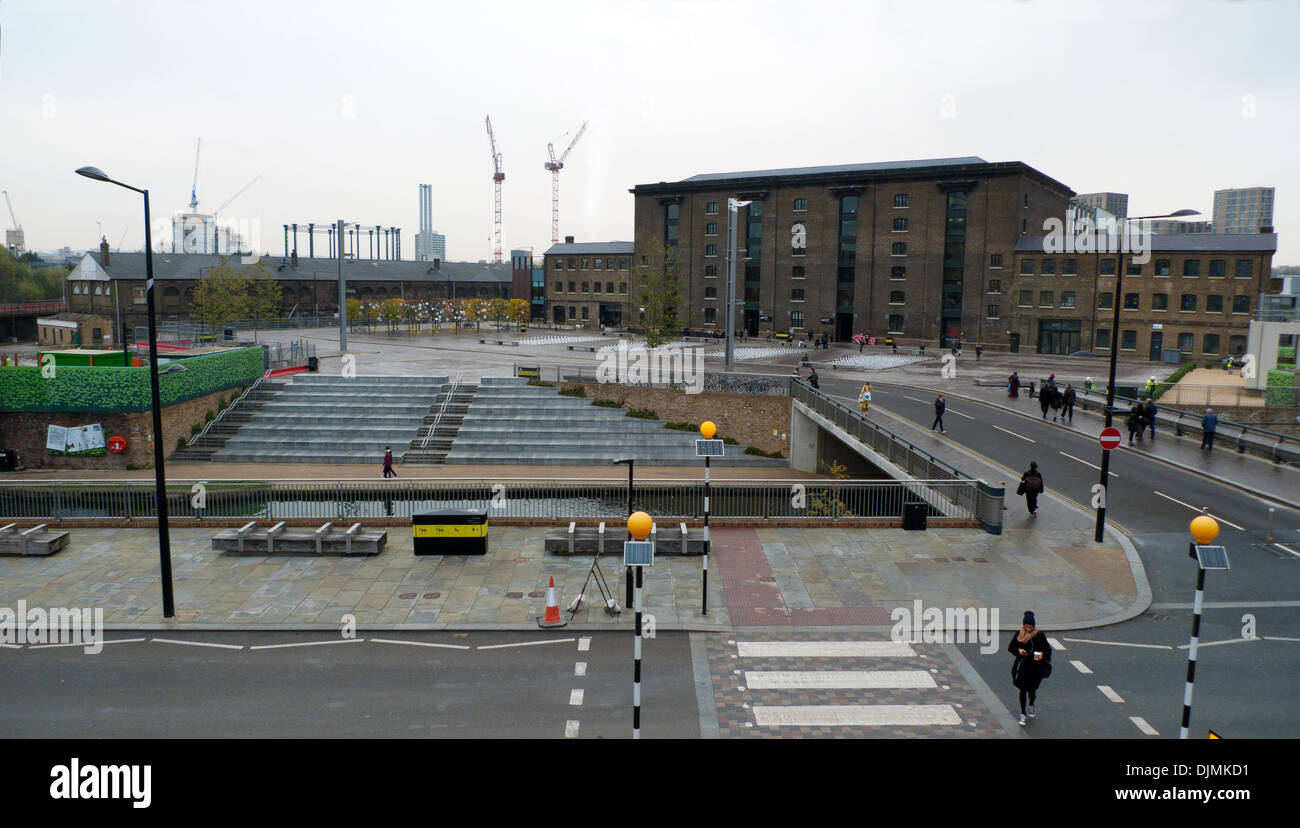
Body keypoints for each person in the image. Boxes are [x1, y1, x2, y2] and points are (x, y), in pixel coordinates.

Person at [1009, 611, 1052, 726]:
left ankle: (1031, 703)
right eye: (1026, 626)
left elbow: (1048, 650)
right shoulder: (1019, 634)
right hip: (1022, 667)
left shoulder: (1039, 635)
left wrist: (1042, 655)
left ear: (1033, 626)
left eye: (1030, 626)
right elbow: (1011, 647)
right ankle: (1022, 714)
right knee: (1022, 690)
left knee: (1032, 691)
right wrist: (1018, 651)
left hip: (1035, 668)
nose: (1028, 629)